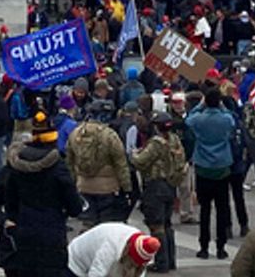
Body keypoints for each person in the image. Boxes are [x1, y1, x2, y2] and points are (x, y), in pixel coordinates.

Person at [0, 111, 84, 277]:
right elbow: (75, 208)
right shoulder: (58, 169)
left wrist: (4, 222)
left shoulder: (12, 167)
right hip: (50, 242)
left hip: (18, 241)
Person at [186, 88, 237, 259]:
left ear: (205, 102)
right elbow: (232, 120)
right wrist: (222, 107)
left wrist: (199, 107)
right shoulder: (225, 119)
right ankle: (221, 246)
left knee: (205, 210)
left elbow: (188, 120)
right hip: (222, 167)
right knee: (222, 209)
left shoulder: (198, 119)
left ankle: (204, 246)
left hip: (203, 167)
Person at [133, 114, 189, 273]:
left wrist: (134, 154)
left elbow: (140, 161)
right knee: (167, 224)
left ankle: (161, 262)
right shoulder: (175, 140)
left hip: (155, 186)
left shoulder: (156, 143)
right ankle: (171, 260)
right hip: (170, 186)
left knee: (156, 226)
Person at [71, 104, 133, 226]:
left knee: (88, 222)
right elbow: (121, 164)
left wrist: (74, 183)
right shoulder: (110, 136)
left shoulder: (76, 134)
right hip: (107, 188)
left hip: (83, 185)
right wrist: (127, 188)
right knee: (105, 225)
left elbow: (69, 160)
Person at [65, 222, 162, 277]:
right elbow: (96, 274)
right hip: (75, 263)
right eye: (133, 263)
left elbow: (139, 272)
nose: (135, 266)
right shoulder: (110, 244)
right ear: (128, 253)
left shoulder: (142, 248)